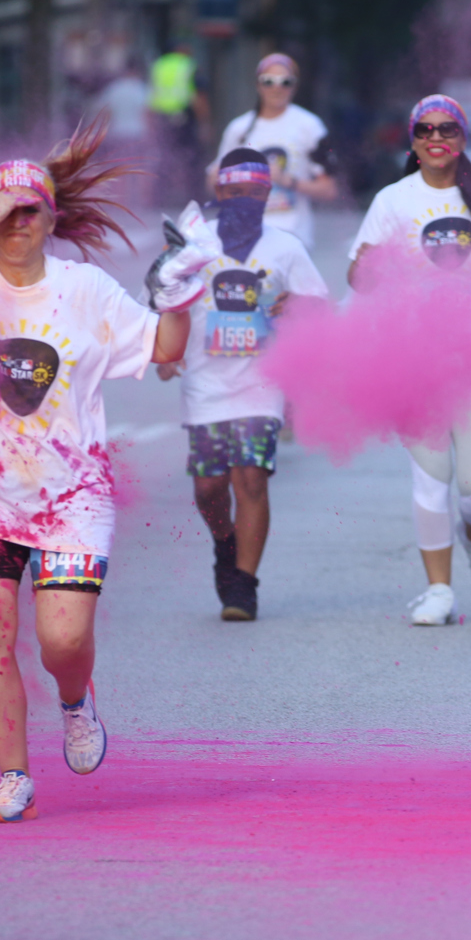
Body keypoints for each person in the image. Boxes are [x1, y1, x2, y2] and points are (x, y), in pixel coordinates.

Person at [0, 119, 190, 823]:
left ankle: (76, 700)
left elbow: (166, 353)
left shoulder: (87, 289)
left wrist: (180, 295)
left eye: (30, 210)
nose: (16, 223)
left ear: (53, 217)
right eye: (5, 211)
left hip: (71, 498)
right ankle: (13, 774)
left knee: (62, 638)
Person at [348, 95, 471, 625]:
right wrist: (366, 268)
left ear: (462, 140)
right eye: (426, 129)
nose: (437, 137)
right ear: (413, 140)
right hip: (417, 361)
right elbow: (359, 279)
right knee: (431, 478)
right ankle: (438, 591)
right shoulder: (392, 201)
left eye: (449, 129)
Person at [157, 148, 328, 620]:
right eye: (235, 193)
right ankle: (224, 543)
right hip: (204, 385)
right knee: (210, 487)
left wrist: (297, 305)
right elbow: (157, 301)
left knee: (251, 478)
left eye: (256, 193)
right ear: (219, 192)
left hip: (262, 382)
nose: (245, 201)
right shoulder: (192, 244)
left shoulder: (286, 248)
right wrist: (164, 355)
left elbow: (321, 307)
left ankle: (243, 586)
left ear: (268, 195)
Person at [209, 54, 338, 251]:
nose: (276, 88)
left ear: (294, 86)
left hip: (293, 239)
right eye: (268, 81)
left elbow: (329, 190)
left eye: (285, 82)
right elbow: (212, 182)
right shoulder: (239, 129)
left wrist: (288, 181)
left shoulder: (310, 127)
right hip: (246, 238)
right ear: (258, 85)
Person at [149, 41, 211, 207]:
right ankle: (194, 198)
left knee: (164, 158)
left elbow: (153, 95)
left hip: (163, 118)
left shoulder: (159, 66)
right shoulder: (188, 65)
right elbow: (199, 97)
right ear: (184, 49)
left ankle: (158, 198)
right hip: (185, 117)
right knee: (192, 159)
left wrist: (153, 124)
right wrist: (204, 123)